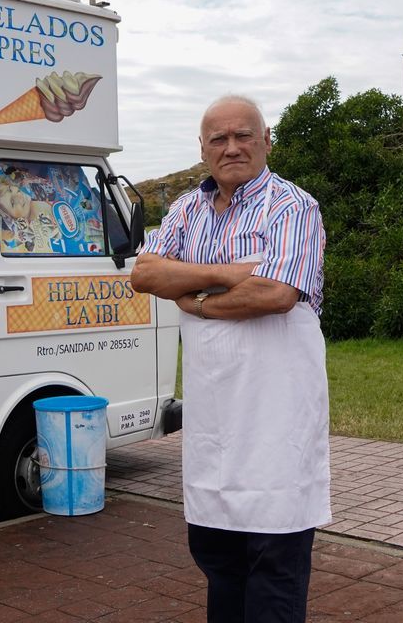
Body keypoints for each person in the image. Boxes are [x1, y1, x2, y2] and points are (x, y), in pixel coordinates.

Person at [130, 95, 329, 623]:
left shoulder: (292, 206)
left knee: (273, 557)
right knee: (217, 555)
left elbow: (277, 294)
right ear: (202, 149)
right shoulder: (184, 209)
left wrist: (192, 293)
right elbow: (145, 274)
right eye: (219, 139)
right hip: (214, 418)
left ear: (267, 141)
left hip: (275, 418)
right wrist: (231, 271)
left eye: (244, 135)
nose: (232, 147)